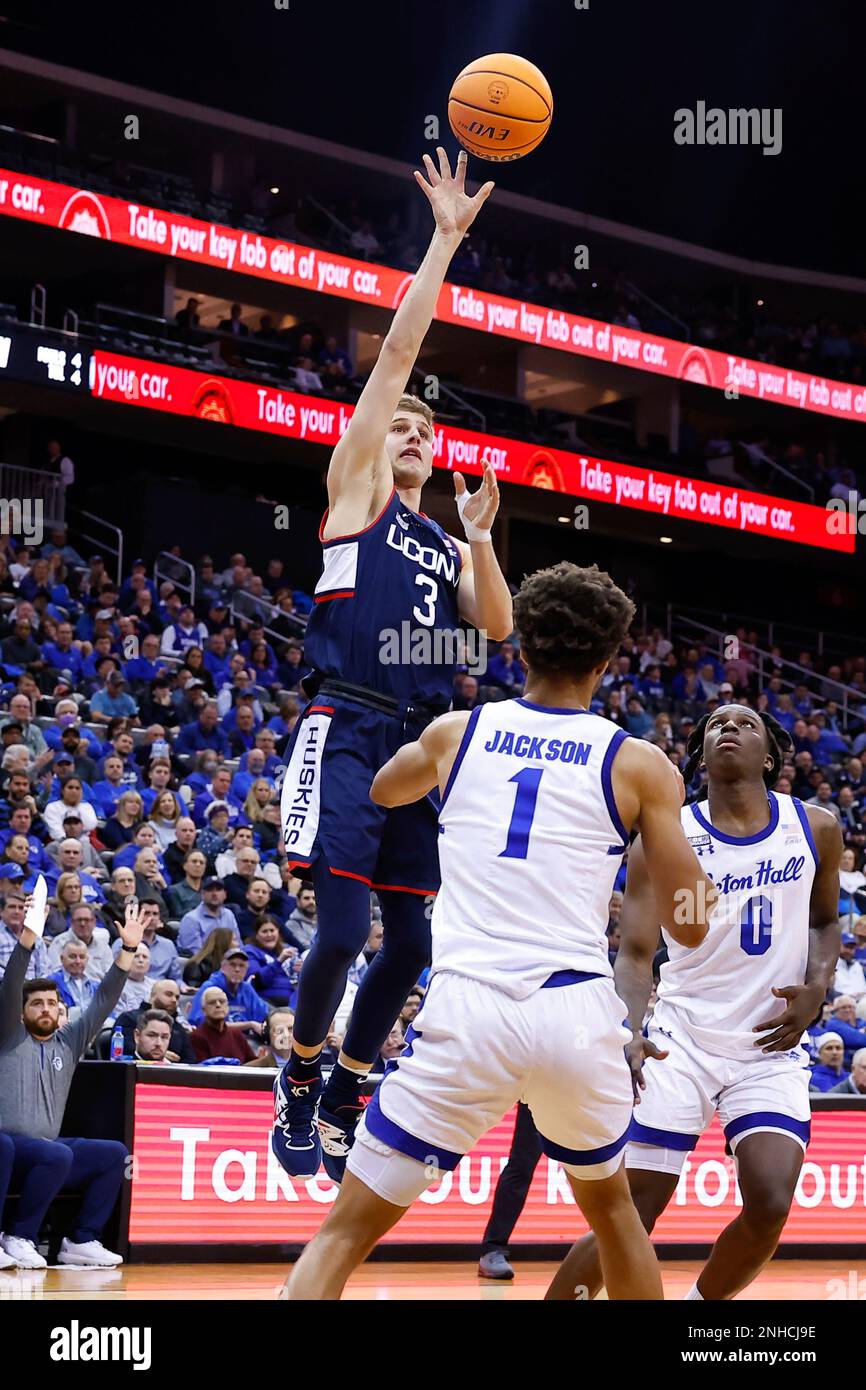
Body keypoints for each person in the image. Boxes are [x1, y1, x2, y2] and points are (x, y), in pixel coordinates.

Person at [283, 561, 715, 1299]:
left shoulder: (458, 733)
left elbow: (386, 789)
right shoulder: (640, 765)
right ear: (609, 660)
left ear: (520, 650)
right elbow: (693, 921)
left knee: (346, 1230)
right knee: (614, 1216)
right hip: (576, 1016)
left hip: (468, 1011)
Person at [274, 149, 512, 1185]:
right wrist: (444, 239)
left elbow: (494, 630)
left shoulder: (446, 541)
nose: (409, 429)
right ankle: (299, 1072)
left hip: (420, 748)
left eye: (423, 426)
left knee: (410, 949)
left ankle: (349, 1084)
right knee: (338, 933)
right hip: (343, 723)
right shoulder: (355, 494)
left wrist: (483, 535)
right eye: (399, 424)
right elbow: (393, 358)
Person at [547, 703, 842, 1303]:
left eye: (745, 724)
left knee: (771, 1202)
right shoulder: (666, 837)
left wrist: (817, 988)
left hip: (769, 1047)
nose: (728, 728)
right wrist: (627, 1029)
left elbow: (825, 921)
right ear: (701, 754)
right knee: (632, 1210)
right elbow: (633, 955)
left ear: (770, 757)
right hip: (679, 1040)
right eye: (715, 725)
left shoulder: (816, 827)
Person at [0, 897, 145, 1268]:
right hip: (6, 1147)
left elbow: (104, 1001)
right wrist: (29, 936)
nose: (46, 1009)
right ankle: (18, 1236)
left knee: (113, 1154)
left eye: (52, 1003)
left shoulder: (70, 1040)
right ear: (21, 1011)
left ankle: (81, 1240)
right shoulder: (9, 1036)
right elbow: (13, 981)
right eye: (37, 1004)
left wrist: (128, 948)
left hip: (45, 1152)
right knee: (52, 1152)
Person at [477, 1102, 543, 1279]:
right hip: (539, 1086)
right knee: (522, 1164)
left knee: (595, 1167)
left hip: (584, 1089)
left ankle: (601, 1249)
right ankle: (493, 1249)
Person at [114, 978, 196, 1064]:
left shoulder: (178, 1028)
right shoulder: (129, 1019)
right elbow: (123, 1050)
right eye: (169, 994)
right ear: (153, 996)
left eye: (177, 997)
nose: (174, 1000)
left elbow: (190, 1060)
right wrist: (158, 1055)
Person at [187, 946, 269, 1027]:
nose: (237, 969)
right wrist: (249, 1025)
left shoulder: (247, 989)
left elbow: (264, 1014)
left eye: (241, 966)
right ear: (223, 967)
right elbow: (201, 1022)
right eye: (232, 965)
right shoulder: (209, 987)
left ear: (247, 969)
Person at [190, 986, 255, 1063]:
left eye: (222, 1001)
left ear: (227, 1007)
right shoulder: (197, 1037)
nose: (218, 1005)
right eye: (212, 1002)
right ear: (204, 1010)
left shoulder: (236, 1034)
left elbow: (251, 1062)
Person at [176, 878, 240, 955]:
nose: (214, 894)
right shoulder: (191, 919)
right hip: (205, 964)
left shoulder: (229, 915)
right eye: (210, 890)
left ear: (225, 895)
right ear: (202, 894)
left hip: (231, 962)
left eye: (218, 890)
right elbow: (194, 955)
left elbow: (238, 944)